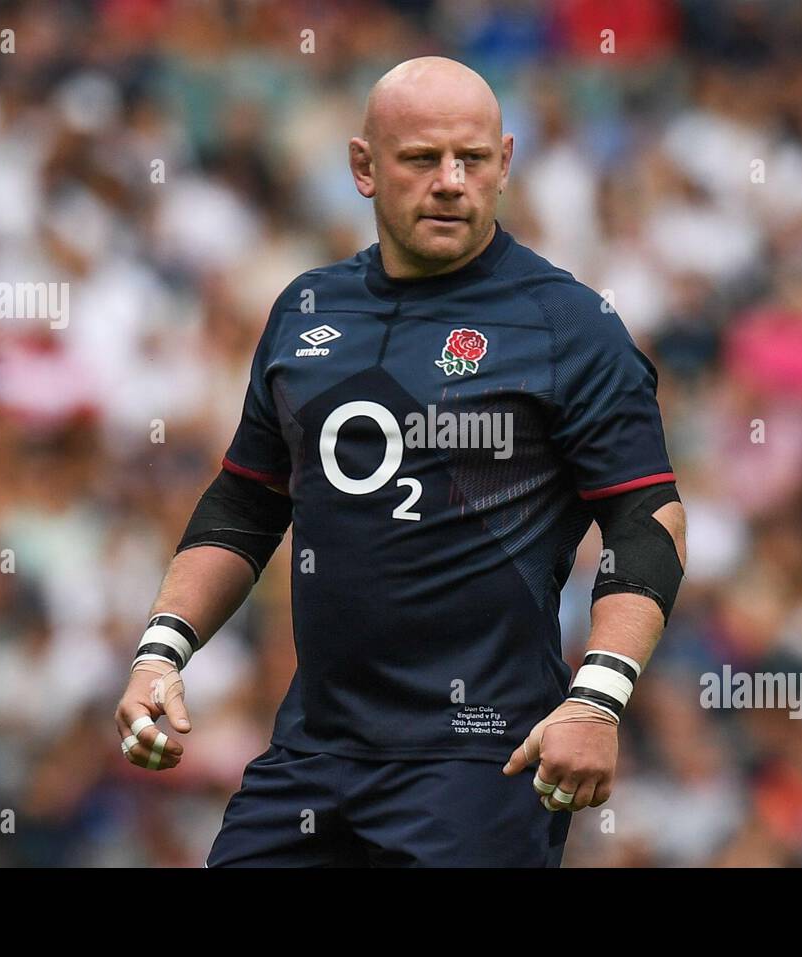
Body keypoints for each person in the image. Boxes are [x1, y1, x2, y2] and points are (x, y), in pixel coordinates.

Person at [114, 56, 687, 867]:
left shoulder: (571, 326)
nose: (451, 181)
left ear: (505, 164)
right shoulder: (307, 310)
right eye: (422, 159)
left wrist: (598, 698)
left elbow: (647, 518)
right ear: (363, 167)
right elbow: (243, 507)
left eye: (474, 159)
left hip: (481, 760)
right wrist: (160, 654)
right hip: (314, 752)